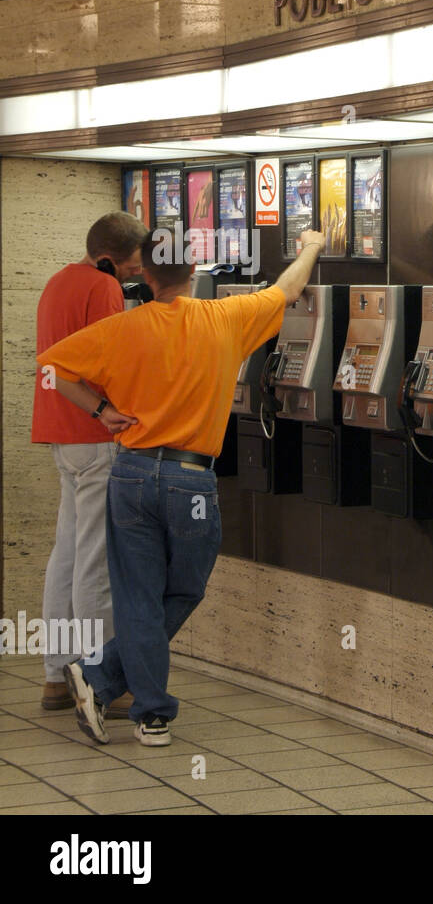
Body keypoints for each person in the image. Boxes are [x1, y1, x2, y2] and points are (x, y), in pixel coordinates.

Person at [40, 227, 325, 748]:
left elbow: (53, 369)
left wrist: (102, 411)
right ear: (195, 272)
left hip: (130, 473)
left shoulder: (124, 328)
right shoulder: (226, 317)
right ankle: (119, 689)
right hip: (189, 480)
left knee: (137, 595)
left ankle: (139, 708)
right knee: (185, 589)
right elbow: (286, 291)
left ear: (145, 276)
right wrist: (311, 246)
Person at [32, 212, 147, 716]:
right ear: (108, 259)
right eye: (132, 265)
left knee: (67, 554)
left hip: (60, 431)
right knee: (95, 561)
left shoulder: (57, 282)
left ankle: (56, 675)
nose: (136, 275)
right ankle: (98, 681)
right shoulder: (103, 287)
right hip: (95, 432)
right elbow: (112, 360)